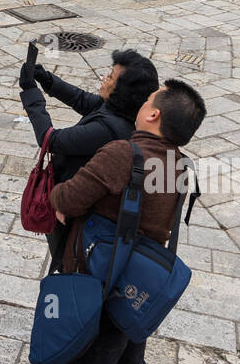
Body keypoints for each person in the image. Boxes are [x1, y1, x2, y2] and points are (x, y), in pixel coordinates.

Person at [15, 77, 206, 364]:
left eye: (148, 101)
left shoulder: (124, 153)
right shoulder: (177, 164)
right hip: (136, 288)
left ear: (153, 114)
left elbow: (63, 200)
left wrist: (69, 197)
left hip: (98, 283)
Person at [19, 48, 160, 264]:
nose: (104, 78)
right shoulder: (120, 111)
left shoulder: (108, 130)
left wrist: (30, 91)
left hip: (72, 212)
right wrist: (47, 80)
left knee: (66, 261)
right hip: (76, 202)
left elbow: (50, 139)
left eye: (110, 77)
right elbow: (82, 99)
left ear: (122, 92)